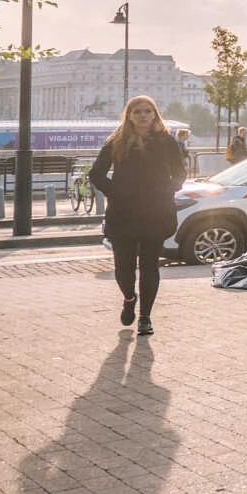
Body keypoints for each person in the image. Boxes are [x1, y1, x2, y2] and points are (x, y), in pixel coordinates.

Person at [88, 95, 188, 335]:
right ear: (129, 116)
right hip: (123, 213)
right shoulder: (116, 141)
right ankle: (129, 298)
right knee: (123, 268)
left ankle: (145, 318)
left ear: (154, 114)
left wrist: (168, 189)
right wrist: (115, 192)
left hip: (156, 211)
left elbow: (180, 173)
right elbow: (96, 173)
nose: (143, 115)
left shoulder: (166, 141)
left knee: (150, 266)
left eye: (147, 111)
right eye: (137, 112)